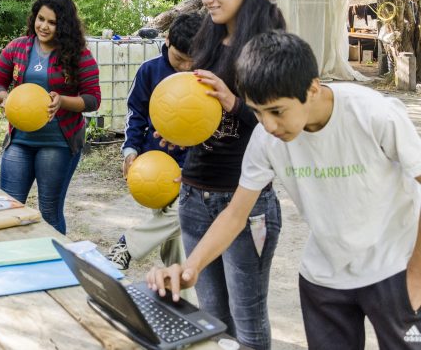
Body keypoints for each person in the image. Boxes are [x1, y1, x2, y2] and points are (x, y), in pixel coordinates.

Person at [147, 30, 421, 350]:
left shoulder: (374, 114)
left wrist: (416, 274)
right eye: (258, 112)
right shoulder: (267, 138)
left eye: (277, 111)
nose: (269, 125)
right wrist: (190, 267)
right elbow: (236, 214)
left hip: (395, 269)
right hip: (324, 279)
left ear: (313, 88)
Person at [163, 0, 286, 350]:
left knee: (248, 326)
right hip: (194, 194)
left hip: (245, 203)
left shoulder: (271, 45)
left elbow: (281, 125)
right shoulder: (208, 37)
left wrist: (233, 102)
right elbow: (200, 115)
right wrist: (179, 130)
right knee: (213, 321)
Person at [0, 0, 100, 234]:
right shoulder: (17, 47)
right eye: (41, 19)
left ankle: (55, 268)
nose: (44, 26)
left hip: (58, 143)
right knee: (9, 208)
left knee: (48, 212)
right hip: (20, 140)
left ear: (64, 26)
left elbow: (92, 99)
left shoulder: (79, 55)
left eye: (52, 22)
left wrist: (62, 101)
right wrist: (5, 98)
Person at [105, 11, 204, 271]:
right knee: (178, 239)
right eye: (180, 59)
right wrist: (130, 150)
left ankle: (129, 245)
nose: (185, 67)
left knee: (184, 215)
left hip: (193, 166)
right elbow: (135, 114)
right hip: (156, 166)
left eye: (191, 61)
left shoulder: (204, 76)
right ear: (168, 40)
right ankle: (179, 297)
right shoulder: (149, 71)